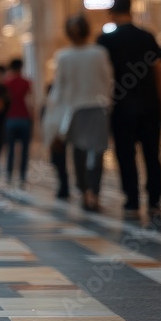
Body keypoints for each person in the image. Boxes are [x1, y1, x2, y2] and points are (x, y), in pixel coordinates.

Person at [96, 0, 161, 219]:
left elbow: (102, 77)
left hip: (121, 107)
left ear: (112, 14)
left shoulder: (105, 41)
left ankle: (132, 202)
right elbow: (158, 72)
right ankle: (155, 202)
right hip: (149, 105)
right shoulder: (147, 36)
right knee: (152, 154)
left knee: (125, 155)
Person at [43, 15, 114, 211]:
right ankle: (94, 193)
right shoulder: (99, 52)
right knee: (97, 152)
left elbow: (60, 87)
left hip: (73, 109)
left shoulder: (63, 56)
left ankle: (85, 192)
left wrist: (53, 112)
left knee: (79, 152)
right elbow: (108, 80)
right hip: (97, 107)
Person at [4, 58, 34, 188]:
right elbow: (30, 100)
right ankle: (22, 175)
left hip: (11, 118)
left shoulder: (7, 83)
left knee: (10, 148)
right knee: (24, 149)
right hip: (24, 117)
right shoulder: (26, 82)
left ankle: (9, 174)